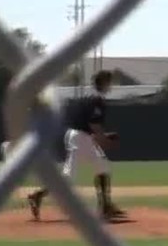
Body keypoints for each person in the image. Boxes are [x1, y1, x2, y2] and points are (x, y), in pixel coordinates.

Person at [23, 70, 127, 222]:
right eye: (109, 82)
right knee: (69, 178)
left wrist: (102, 137)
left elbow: (87, 123)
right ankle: (36, 196)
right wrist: (104, 139)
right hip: (80, 138)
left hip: (81, 136)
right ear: (103, 83)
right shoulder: (96, 99)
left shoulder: (88, 96)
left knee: (102, 166)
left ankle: (105, 206)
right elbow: (93, 124)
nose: (110, 85)